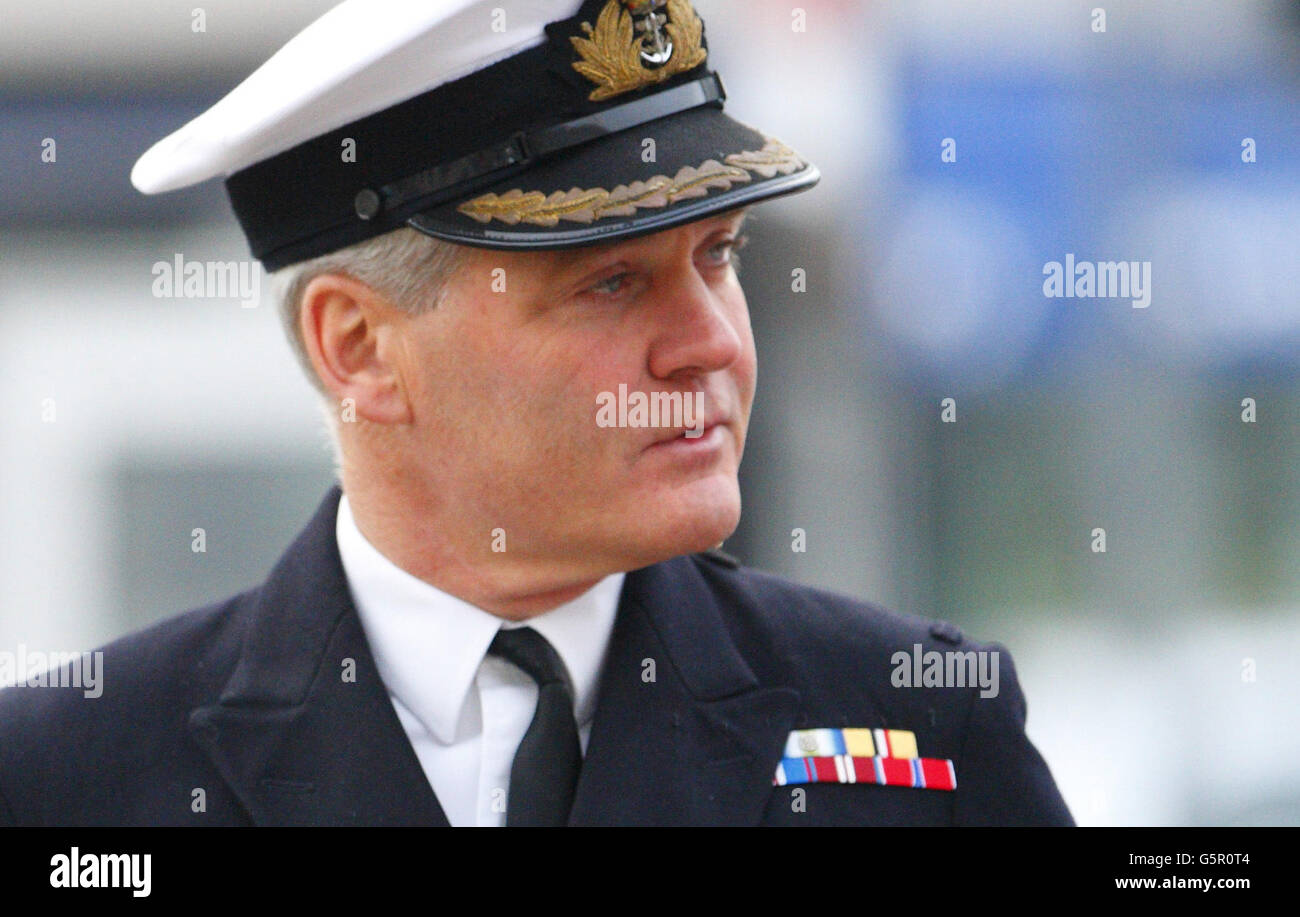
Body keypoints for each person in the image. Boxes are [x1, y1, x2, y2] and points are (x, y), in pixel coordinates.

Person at [0, 0, 1073, 826]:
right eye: (611, 282)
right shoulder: (67, 776)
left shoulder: (920, 725)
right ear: (359, 348)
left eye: (719, 255)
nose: (710, 341)